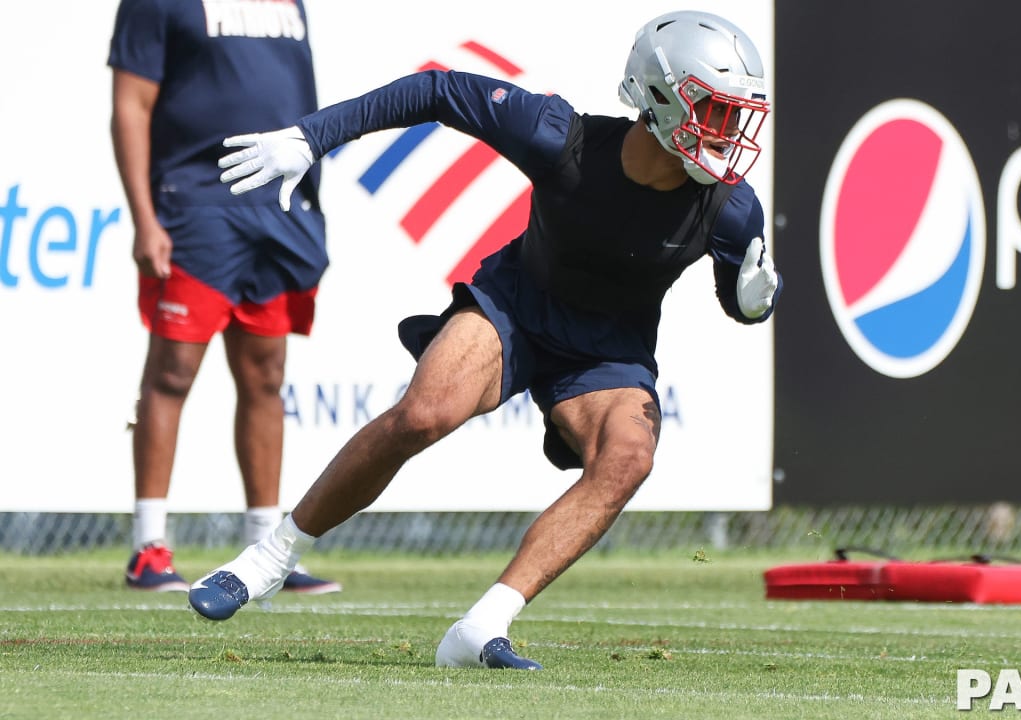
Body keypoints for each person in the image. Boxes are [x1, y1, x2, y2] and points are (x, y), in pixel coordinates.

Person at [187, 10, 779, 669]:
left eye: (737, 116)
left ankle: (481, 627)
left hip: (609, 353)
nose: (730, 132)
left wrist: (754, 301)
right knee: (425, 412)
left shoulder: (732, 208)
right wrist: (310, 137)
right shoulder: (562, 137)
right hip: (515, 310)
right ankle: (269, 559)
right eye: (717, 111)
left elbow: (739, 300)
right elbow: (437, 90)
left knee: (629, 457)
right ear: (662, 97)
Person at [109, 0, 339, 595]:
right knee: (172, 372)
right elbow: (130, 105)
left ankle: (269, 553)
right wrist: (144, 218)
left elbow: (299, 102)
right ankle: (148, 549)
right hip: (195, 205)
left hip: (278, 206)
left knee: (266, 376)